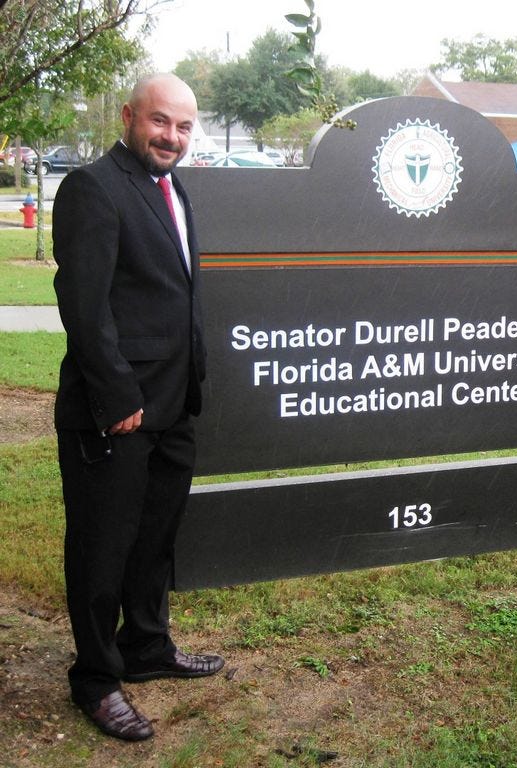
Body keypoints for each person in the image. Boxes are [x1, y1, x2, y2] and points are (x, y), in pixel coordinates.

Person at [53, 73, 222, 742]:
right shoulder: (92, 187)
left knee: (154, 540)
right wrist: (117, 396)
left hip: (173, 405)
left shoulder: (172, 189)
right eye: (159, 121)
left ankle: (146, 646)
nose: (171, 137)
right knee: (101, 550)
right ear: (128, 115)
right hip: (116, 411)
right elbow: (84, 305)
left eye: (183, 127)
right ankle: (96, 680)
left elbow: (173, 292)